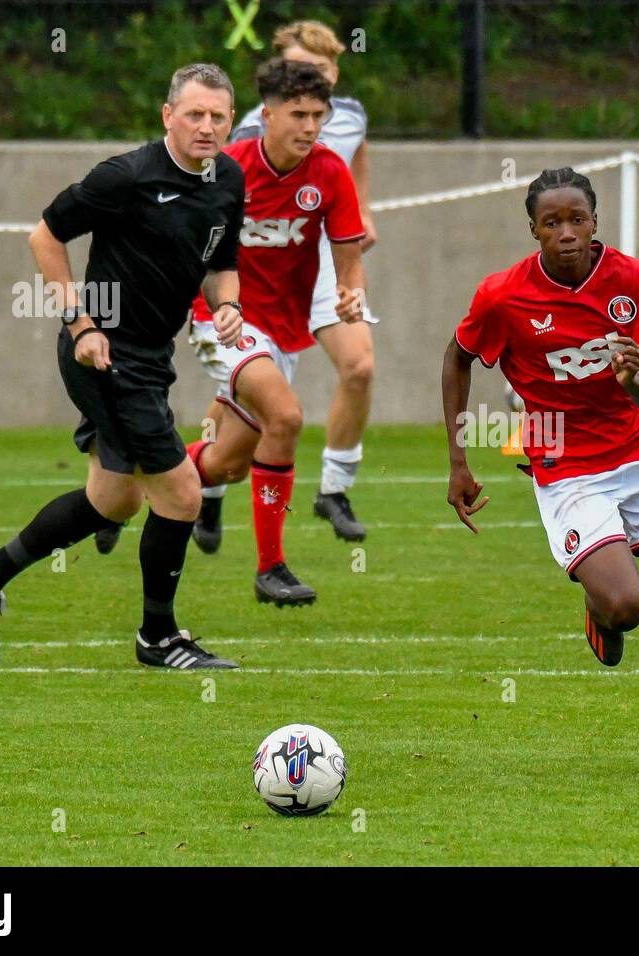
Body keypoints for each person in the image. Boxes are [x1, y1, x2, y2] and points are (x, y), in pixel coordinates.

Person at [0, 64, 247, 669]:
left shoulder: (229, 180)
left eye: (218, 116)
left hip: (150, 357)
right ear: (168, 115)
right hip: (105, 354)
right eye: (195, 114)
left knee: (114, 501)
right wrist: (79, 323)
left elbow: (222, 263)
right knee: (184, 492)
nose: (207, 127)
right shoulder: (127, 176)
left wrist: (228, 305)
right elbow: (45, 236)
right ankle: (158, 639)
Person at [441, 168, 639, 776]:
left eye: (577, 220)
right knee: (626, 605)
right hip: (567, 464)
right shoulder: (503, 296)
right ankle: (600, 609)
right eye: (552, 223)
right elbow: (458, 356)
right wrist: (459, 459)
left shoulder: (632, 281)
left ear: (595, 224)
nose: (566, 233)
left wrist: (633, 378)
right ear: (534, 231)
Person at [185, 59, 366, 607]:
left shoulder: (331, 172)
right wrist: (217, 304)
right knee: (286, 418)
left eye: (319, 115)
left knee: (229, 463)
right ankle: (272, 569)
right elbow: (190, 248)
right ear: (267, 114)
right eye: (299, 115)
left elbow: (349, 253)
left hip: (284, 333)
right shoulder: (228, 168)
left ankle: (129, 466)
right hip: (222, 319)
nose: (311, 127)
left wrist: (351, 291)